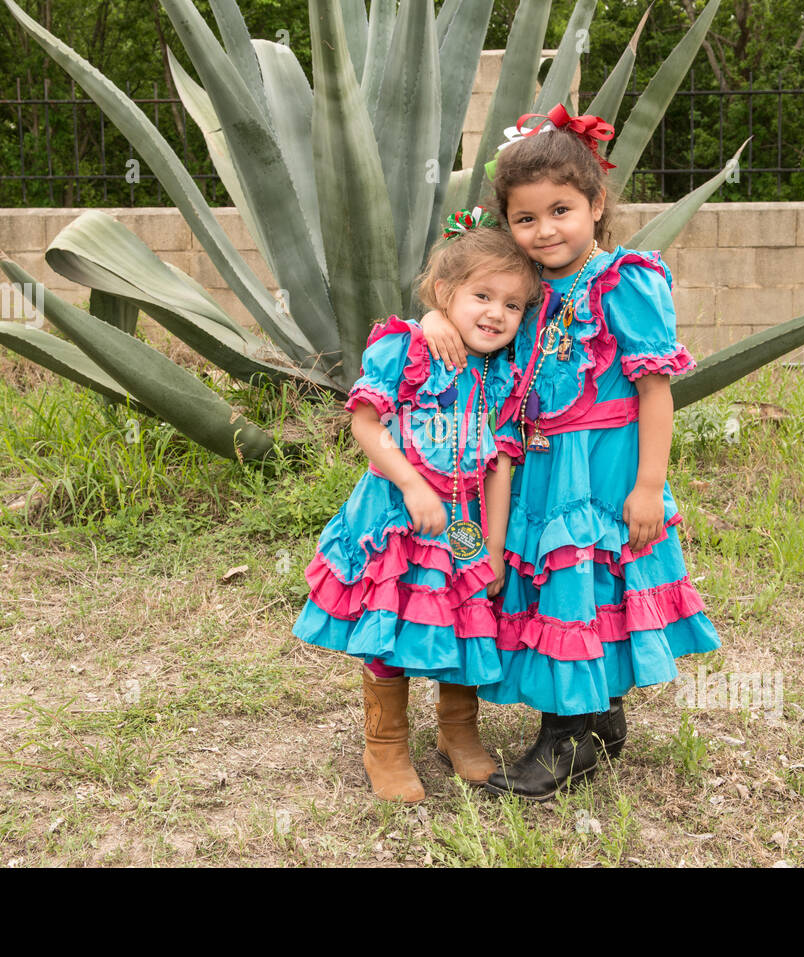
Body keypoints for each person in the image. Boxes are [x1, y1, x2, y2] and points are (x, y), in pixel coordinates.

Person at [421, 105, 721, 800]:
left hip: (603, 466)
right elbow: (467, 298)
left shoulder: (625, 280)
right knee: (567, 588)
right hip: (541, 468)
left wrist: (649, 486)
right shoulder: (523, 286)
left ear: (596, 204)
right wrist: (439, 314)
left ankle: (568, 736)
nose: (545, 229)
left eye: (561, 210)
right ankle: (601, 721)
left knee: (585, 582)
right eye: (526, 219)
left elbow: (655, 390)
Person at [293, 209, 540, 803]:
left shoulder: (505, 376)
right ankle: (386, 745)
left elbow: (502, 464)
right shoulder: (405, 346)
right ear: (446, 293)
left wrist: (498, 549)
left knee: (467, 620)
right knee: (390, 625)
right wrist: (411, 485)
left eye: (512, 306)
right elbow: (366, 424)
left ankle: (458, 733)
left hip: (468, 527)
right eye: (482, 296)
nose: (496, 314)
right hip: (400, 521)